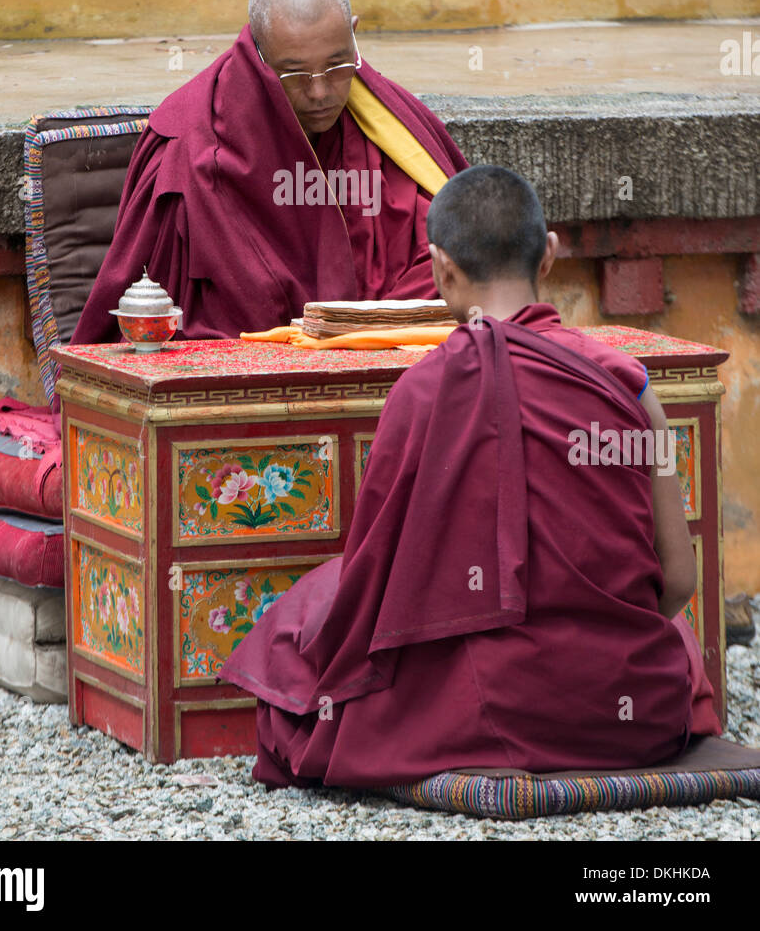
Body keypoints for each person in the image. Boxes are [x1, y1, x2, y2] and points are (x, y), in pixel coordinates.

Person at [219, 165, 721, 788]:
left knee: (311, 607)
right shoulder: (631, 386)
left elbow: (373, 585)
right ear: (551, 256)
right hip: (628, 712)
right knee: (675, 636)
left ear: (440, 268)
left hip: (495, 707)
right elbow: (676, 581)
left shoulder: (424, 391)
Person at [69, 0, 468, 344]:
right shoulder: (190, 143)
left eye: (337, 65)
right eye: (293, 74)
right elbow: (157, 312)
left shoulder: (391, 129)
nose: (320, 93)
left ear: (353, 33)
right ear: (258, 55)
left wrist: (358, 333)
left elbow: (456, 251)